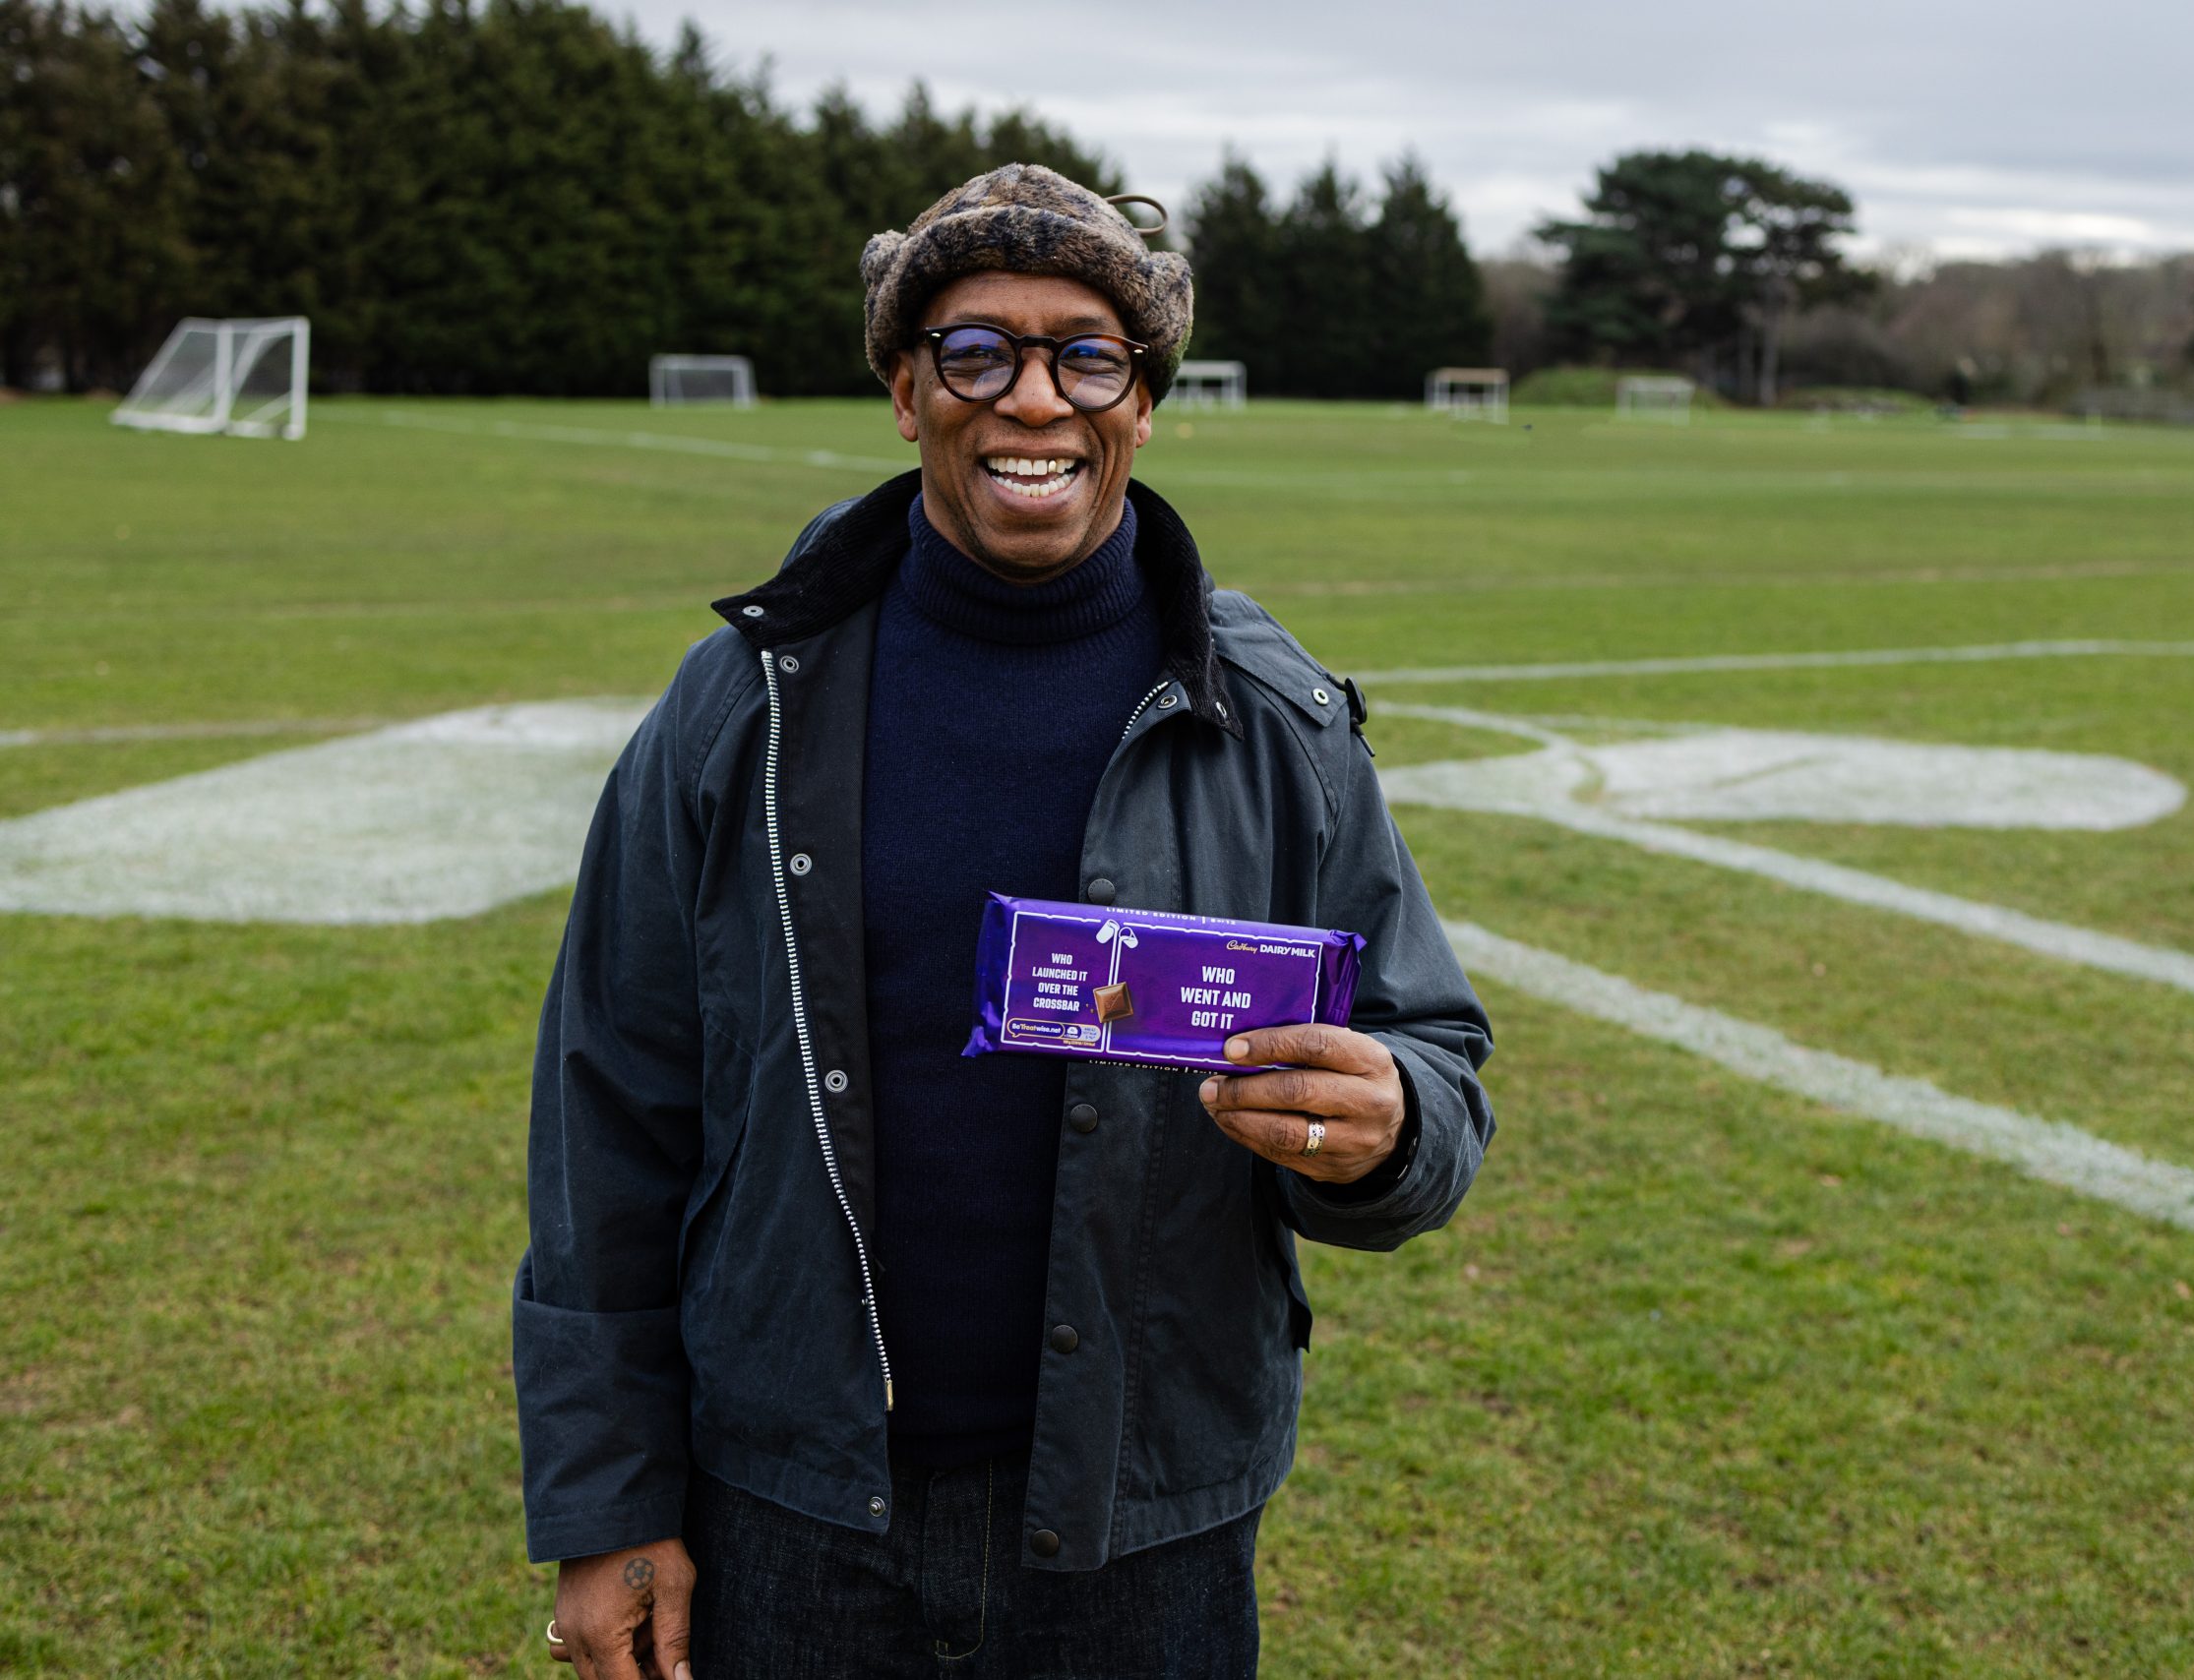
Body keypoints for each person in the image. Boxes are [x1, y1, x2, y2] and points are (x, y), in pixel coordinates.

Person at [514, 163, 1496, 1679]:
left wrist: (1389, 1128)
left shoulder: (1277, 717)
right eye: (977, 352)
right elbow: (610, 1106)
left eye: (1085, 355)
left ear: (1143, 403)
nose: (1033, 399)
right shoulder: (741, 705)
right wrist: (608, 1499)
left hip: (1137, 1526)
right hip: (790, 1510)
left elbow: (1431, 1055)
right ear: (907, 394)